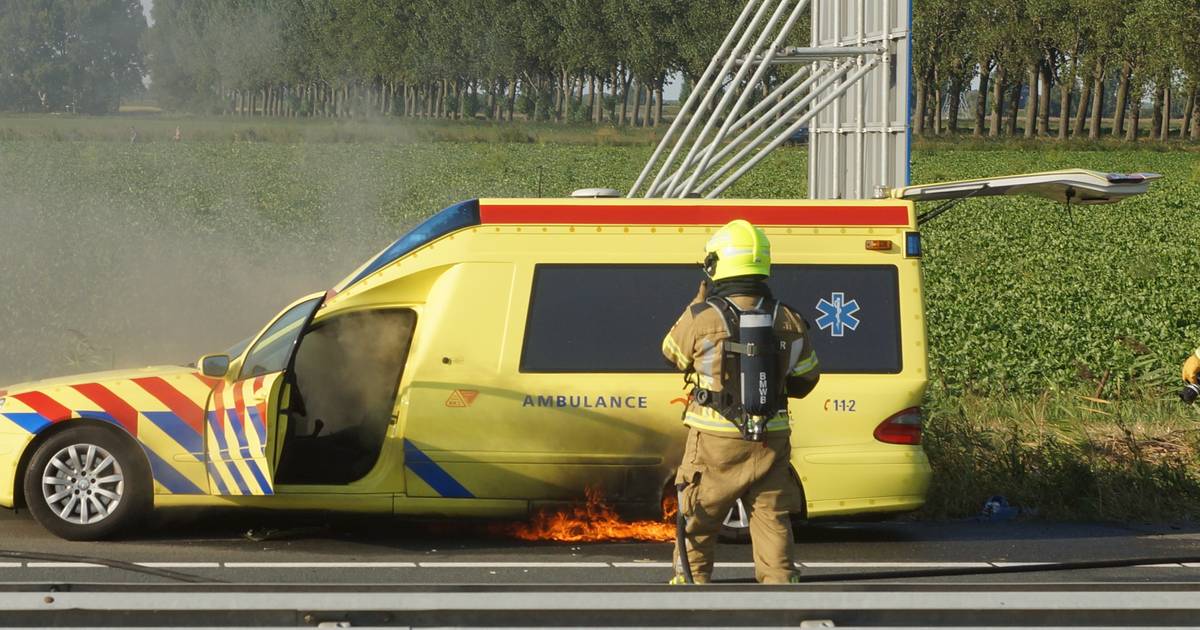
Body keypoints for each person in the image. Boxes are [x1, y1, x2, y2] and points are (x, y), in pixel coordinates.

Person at [662, 219, 821, 585]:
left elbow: (670, 354)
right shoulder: (790, 318)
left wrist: (696, 304)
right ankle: (781, 592)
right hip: (771, 436)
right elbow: (807, 378)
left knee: (699, 515)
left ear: (716, 265)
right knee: (772, 518)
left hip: (714, 439)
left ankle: (691, 585)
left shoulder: (702, 317)